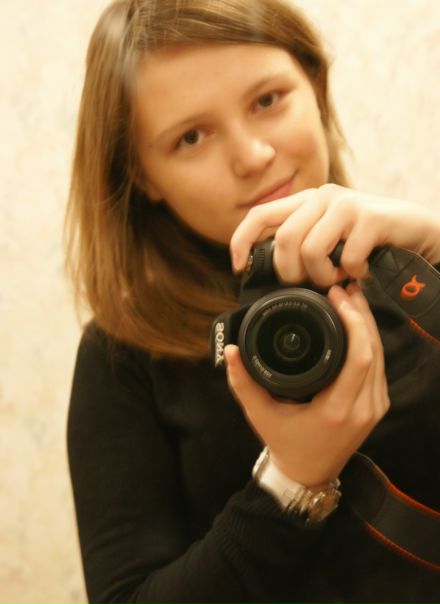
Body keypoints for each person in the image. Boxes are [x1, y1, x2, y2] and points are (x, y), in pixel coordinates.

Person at [65, 0, 440, 602]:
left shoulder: (418, 267)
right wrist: (291, 480)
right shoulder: (126, 356)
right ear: (143, 176)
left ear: (314, 85)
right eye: (191, 137)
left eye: (267, 100)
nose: (253, 156)